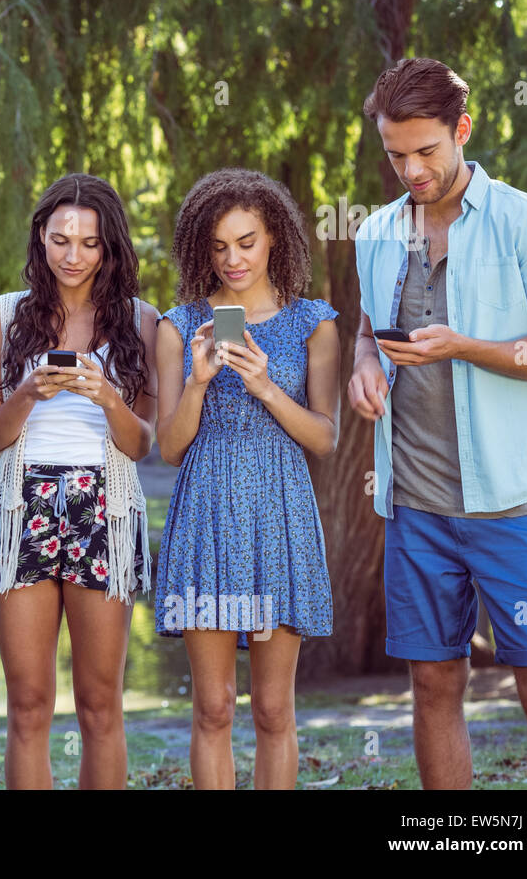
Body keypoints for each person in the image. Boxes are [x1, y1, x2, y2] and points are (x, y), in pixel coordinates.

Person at [349, 57, 527, 790]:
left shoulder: (524, 221)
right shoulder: (376, 233)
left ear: (463, 130)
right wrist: (363, 366)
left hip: (512, 499)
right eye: (395, 154)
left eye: (426, 151)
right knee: (434, 684)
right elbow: (367, 329)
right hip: (416, 504)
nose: (410, 169)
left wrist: (469, 346)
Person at [154, 168, 340, 790]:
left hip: (280, 516)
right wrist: (199, 381)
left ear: (275, 240)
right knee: (212, 708)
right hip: (206, 515)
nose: (233, 259)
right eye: (218, 246)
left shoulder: (314, 323)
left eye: (247, 242)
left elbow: (324, 438)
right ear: (199, 250)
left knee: (272, 709)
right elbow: (172, 446)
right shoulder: (178, 327)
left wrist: (263, 385)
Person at [0, 173, 158, 790]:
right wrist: (27, 392)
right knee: (27, 705)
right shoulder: (2, 315)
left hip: (103, 508)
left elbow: (140, 444)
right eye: (60, 240)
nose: (73, 256)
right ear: (41, 239)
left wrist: (107, 396)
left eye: (89, 243)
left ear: (111, 247)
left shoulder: (141, 320)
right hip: (21, 506)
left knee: (100, 706)